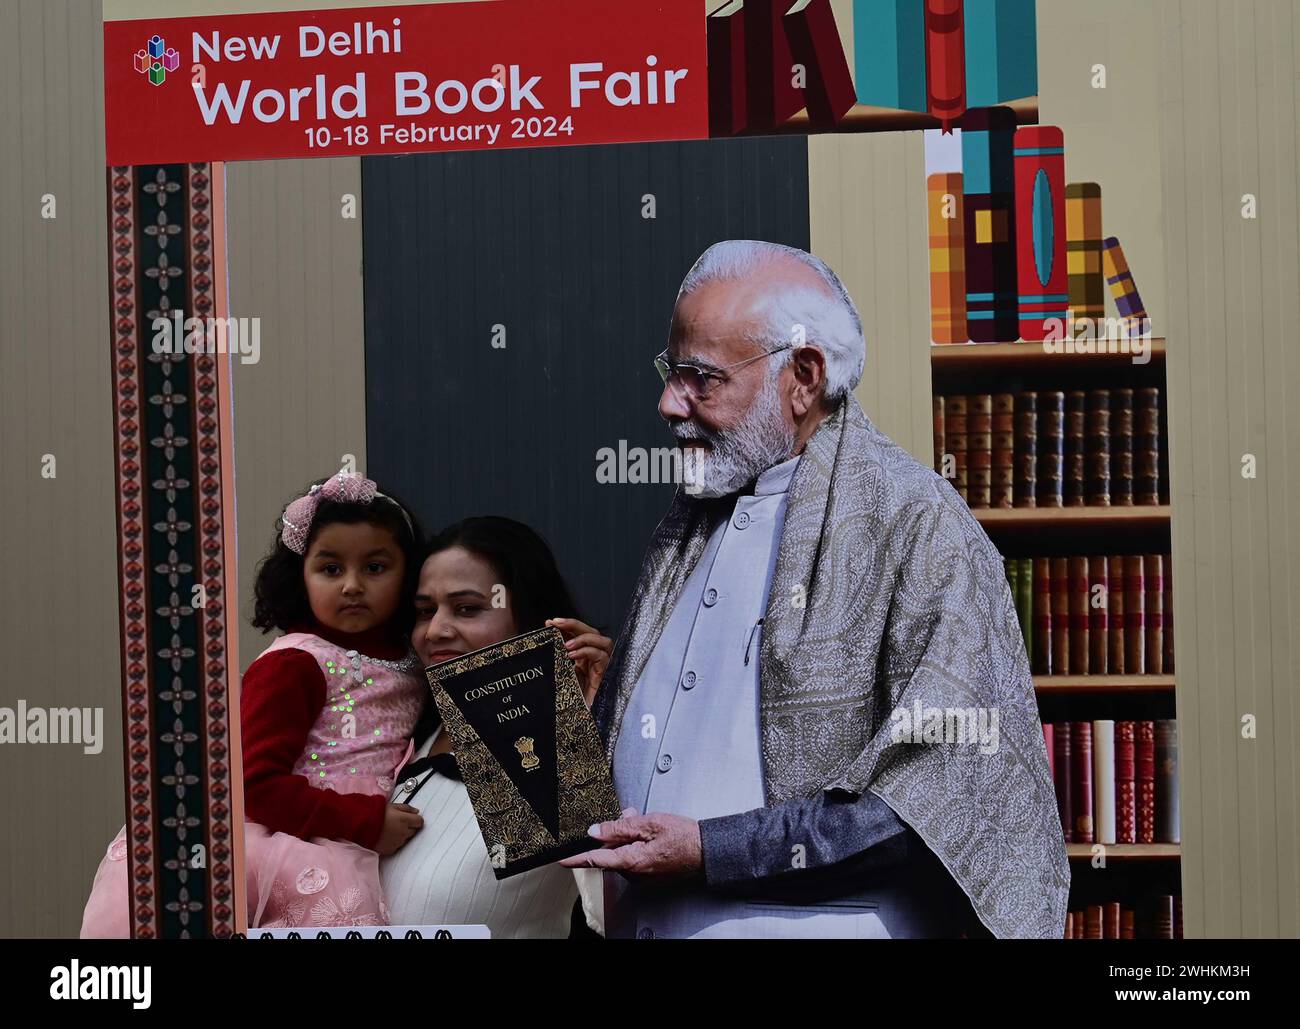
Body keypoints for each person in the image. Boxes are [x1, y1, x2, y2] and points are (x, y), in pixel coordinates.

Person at [563, 240, 1069, 939]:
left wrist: (710, 851)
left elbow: (934, 805)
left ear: (802, 376)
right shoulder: (688, 526)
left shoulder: (915, 521)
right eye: (669, 371)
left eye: (699, 378)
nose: (667, 402)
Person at [81, 472, 428, 935]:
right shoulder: (297, 662)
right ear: (298, 577)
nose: (352, 585)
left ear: (409, 576)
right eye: (330, 568)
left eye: (375, 567)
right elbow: (249, 782)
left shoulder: (415, 656)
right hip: (294, 845)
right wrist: (363, 821)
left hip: (362, 840)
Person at [380, 516, 611, 938]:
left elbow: (610, 903)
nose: (435, 631)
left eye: (468, 608)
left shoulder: (566, 740)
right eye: (424, 611)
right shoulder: (404, 735)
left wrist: (595, 719)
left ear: (533, 618)